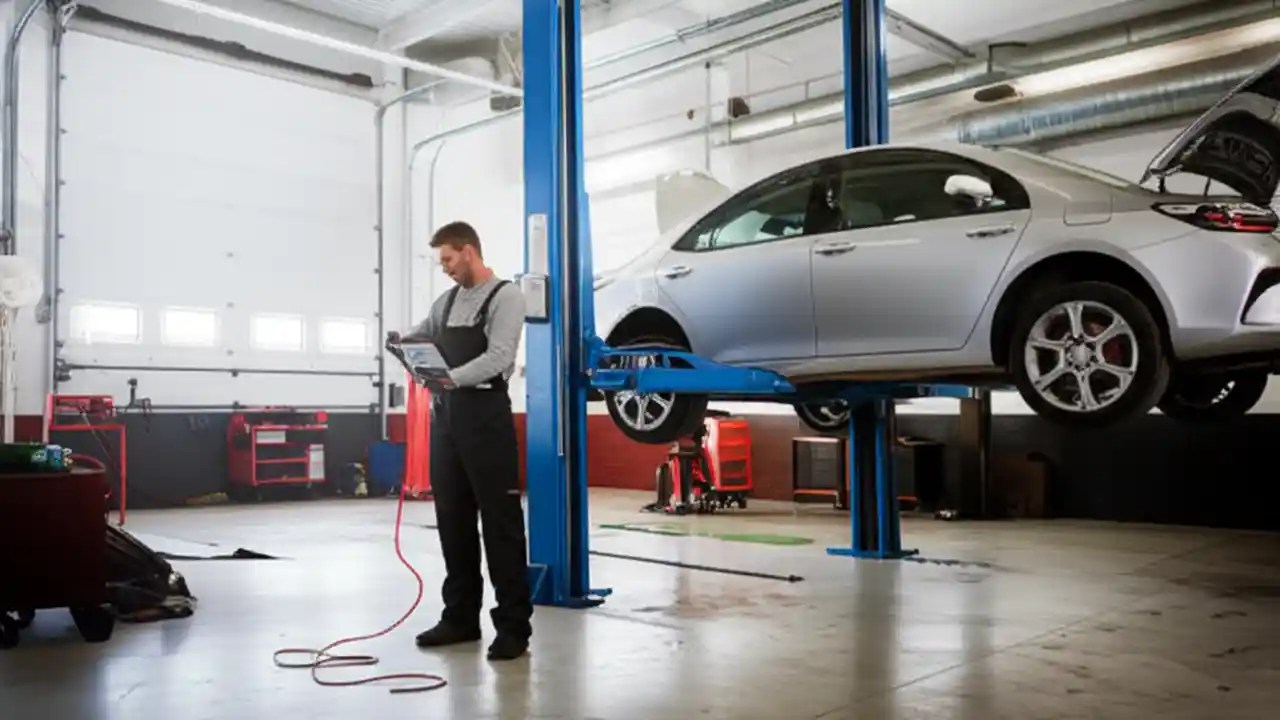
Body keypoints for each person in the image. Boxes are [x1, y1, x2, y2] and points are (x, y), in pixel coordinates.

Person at [388, 220, 532, 661]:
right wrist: (403, 344)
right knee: (453, 520)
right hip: (447, 420)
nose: (445, 269)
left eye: (449, 259)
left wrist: (450, 379)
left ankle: (512, 627)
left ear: (468, 251)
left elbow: (500, 356)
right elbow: (422, 333)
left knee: (500, 525)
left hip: (486, 416)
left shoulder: (506, 296)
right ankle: (460, 618)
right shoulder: (446, 301)